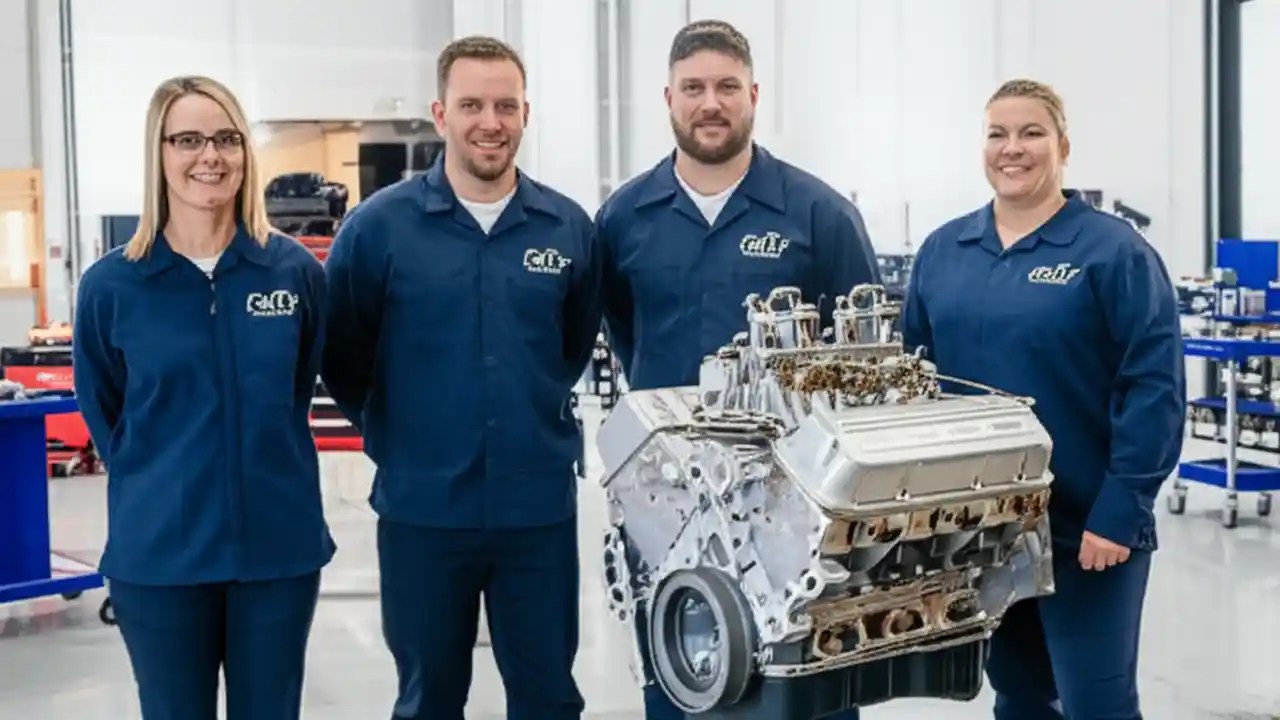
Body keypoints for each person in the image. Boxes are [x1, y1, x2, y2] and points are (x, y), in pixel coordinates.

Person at [595, 19, 878, 720]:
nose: (710, 103)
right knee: (682, 679)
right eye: (694, 88)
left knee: (806, 691)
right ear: (669, 98)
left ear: (753, 94)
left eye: (726, 86)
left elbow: (863, 369)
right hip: (668, 508)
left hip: (798, 511)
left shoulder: (820, 216)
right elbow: (626, 338)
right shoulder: (624, 219)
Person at [320, 36, 602, 720]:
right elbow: (344, 357)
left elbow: (568, 349)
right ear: (440, 114)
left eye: (506, 105)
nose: (490, 121)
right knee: (428, 700)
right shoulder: (377, 230)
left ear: (525, 113)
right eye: (472, 104)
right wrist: (407, 433)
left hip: (536, 513)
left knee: (548, 698)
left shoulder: (567, 229)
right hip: (423, 513)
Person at [901, 78, 1185, 719]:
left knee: (1096, 703)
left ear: (1062, 145)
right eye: (998, 133)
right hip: (979, 529)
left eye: (1031, 132)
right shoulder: (945, 252)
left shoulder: (1114, 253)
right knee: (1018, 692)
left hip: (1085, 528)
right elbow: (915, 383)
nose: (1013, 148)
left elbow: (1154, 387)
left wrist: (1122, 508)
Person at [72, 75, 334, 720]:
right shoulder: (113, 285)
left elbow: (297, 388)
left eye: (226, 138)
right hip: (160, 556)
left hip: (277, 552)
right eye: (187, 139)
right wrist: (163, 478)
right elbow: (107, 413)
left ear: (246, 152)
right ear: (157, 154)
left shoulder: (292, 271)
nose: (209, 156)